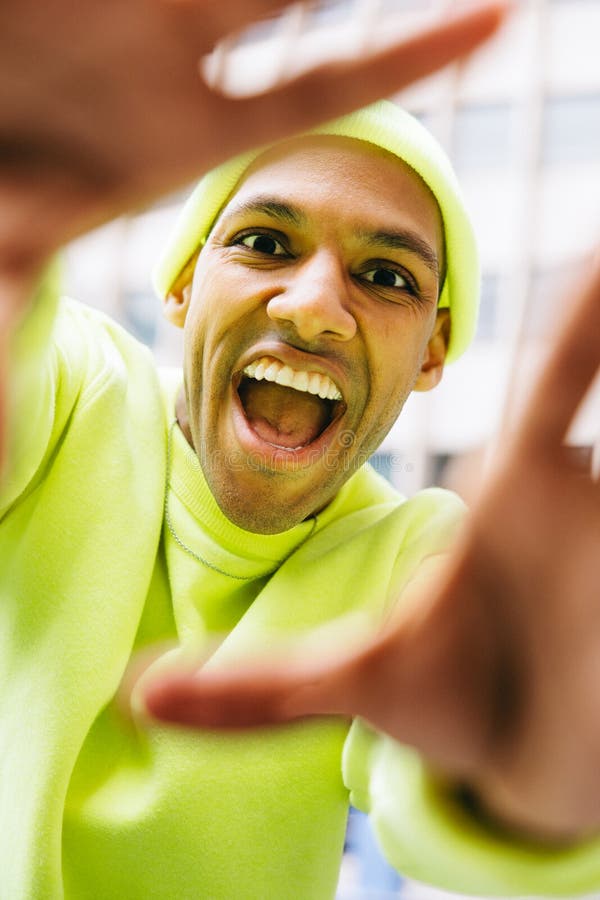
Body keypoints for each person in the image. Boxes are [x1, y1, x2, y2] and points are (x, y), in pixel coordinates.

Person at [2, 1, 600, 898]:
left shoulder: (413, 557)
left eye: (386, 276)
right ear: (179, 286)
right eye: (264, 243)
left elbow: (456, 806)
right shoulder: (72, 389)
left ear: (431, 354)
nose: (315, 306)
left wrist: (526, 796)